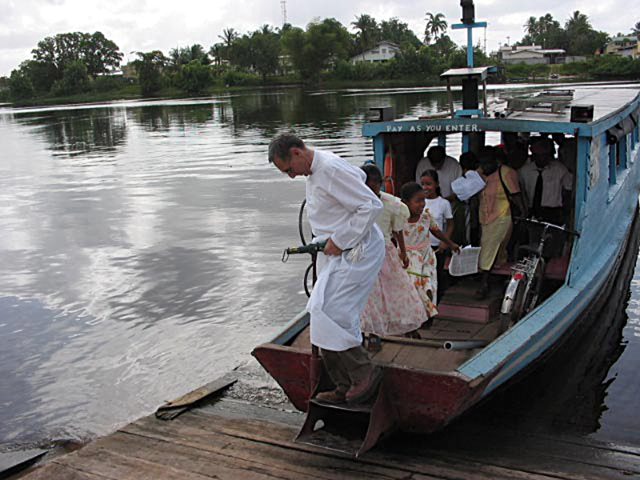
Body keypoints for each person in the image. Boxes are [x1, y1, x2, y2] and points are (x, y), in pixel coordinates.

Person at [269, 134, 384, 405]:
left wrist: (339, 239)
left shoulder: (329, 169)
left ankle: (364, 374)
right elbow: (356, 177)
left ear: (296, 152)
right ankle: (343, 385)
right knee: (318, 312)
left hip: (358, 250)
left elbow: (371, 205)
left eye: (288, 170)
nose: (290, 177)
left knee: (335, 312)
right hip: (334, 251)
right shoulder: (317, 169)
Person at [360, 165, 427, 337]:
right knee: (370, 294)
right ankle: (373, 332)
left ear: (381, 183)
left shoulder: (391, 203)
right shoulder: (355, 202)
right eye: (368, 184)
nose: (371, 188)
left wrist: (402, 252)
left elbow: (397, 231)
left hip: (384, 251)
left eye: (376, 184)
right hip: (363, 253)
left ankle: (409, 326)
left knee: (399, 288)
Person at [401, 182, 459, 316]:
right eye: (418, 201)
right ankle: (415, 317)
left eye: (423, 200)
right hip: (407, 257)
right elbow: (393, 235)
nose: (422, 204)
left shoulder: (426, 216)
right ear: (406, 202)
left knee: (429, 285)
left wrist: (450, 243)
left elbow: (436, 231)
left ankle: (427, 313)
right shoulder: (400, 217)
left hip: (426, 256)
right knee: (412, 287)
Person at [477, 146, 527, 299]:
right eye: (482, 164)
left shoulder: (506, 172)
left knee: (489, 246)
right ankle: (496, 276)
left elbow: (516, 195)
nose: (484, 167)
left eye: (487, 164)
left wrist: (524, 213)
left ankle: (483, 283)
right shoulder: (478, 173)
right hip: (484, 216)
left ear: (496, 162)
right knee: (494, 249)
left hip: (502, 215)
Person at [518, 137, 573, 226]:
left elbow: (569, 189)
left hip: (553, 212)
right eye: (539, 155)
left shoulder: (559, 169)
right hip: (532, 211)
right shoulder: (524, 171)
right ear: (533, 155)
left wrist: (566, 212)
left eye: (545, 154)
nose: (543, 158)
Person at [420, 169, 453, 303]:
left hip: (437, 247)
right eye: (422, 184)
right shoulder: (419, 202)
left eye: (428, 184)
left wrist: (445, 241)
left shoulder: (443, 203)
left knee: (436, 277)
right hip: (421, 246)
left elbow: (450, 224)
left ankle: (435, 304)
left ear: (436, 184)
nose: (425, 188)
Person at [451, 151, 484, 246]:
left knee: (467, 238)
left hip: (468, 214)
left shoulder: (463, 182)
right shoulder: (482, 177)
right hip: (480, 215)